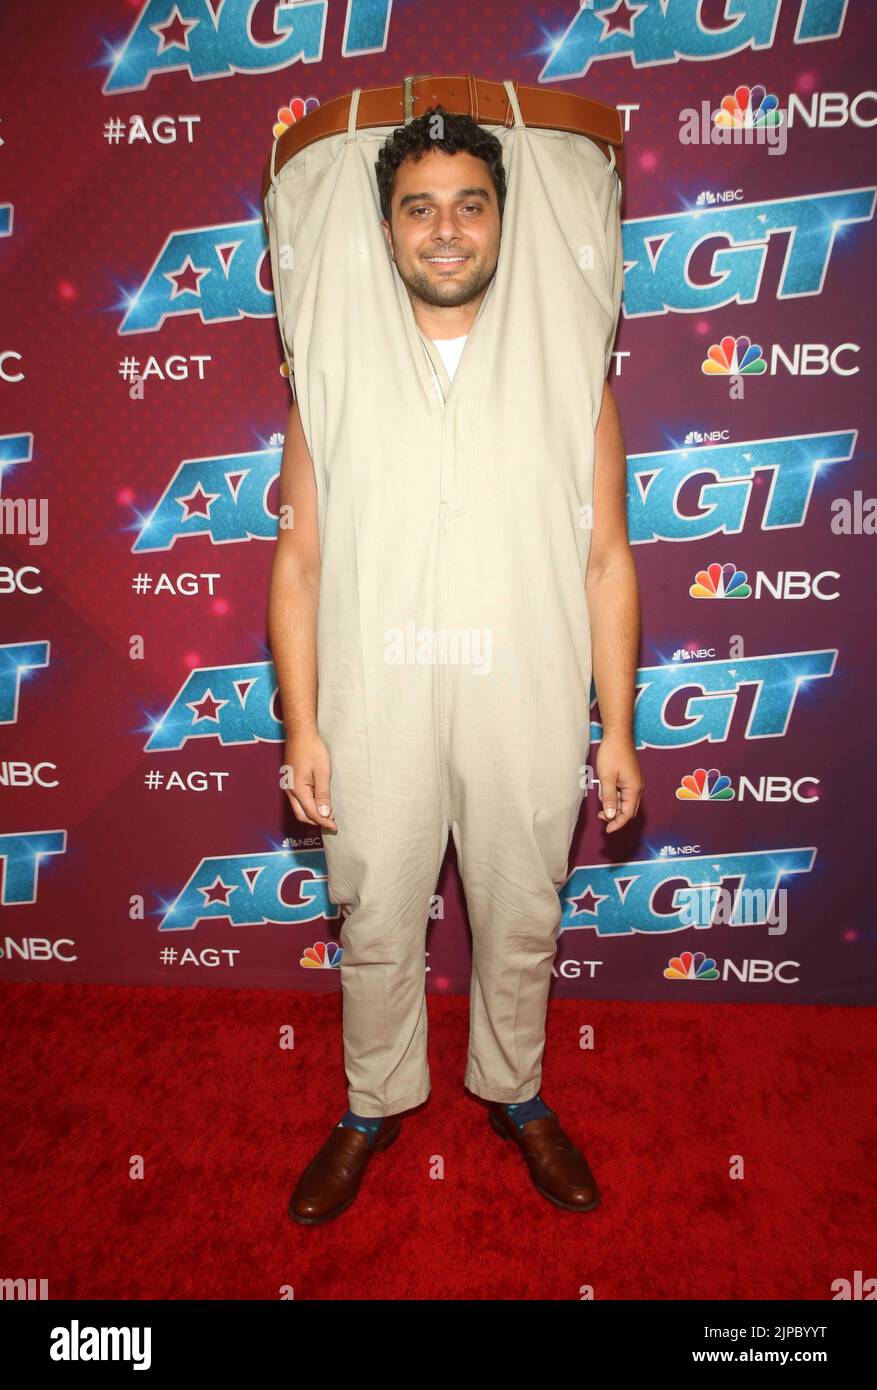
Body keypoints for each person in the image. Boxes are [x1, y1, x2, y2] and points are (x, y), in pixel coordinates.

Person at [266, 100, 643, 1226]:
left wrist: (614, 726)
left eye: (469, 205)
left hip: (524, 685)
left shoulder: (570, 368)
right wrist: (302, 723)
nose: (444, 229)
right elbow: (299, 561)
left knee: (523, 903)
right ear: (384, 229)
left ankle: (514, 1088)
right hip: (373, 691)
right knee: (373, 908)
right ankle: (372, 1100)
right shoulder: (329, 371)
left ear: (500, 222)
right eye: (417, 207)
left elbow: (607, 559)